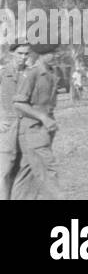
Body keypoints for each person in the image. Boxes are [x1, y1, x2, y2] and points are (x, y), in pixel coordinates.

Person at [12, 44, 64, 199]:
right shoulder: (33, 73)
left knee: (27, 174)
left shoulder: (51, 72)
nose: (56, 56)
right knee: (47, 170)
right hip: (33, 129)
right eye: (52, 54)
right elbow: (19, 103)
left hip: (44, 130)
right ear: (43, 55)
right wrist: (42, 118)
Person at [0, 43, 30, 200]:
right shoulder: (3, 72)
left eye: (26, 54)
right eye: (20, 53)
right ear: (12, 53)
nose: (23, 57)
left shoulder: (29, 73)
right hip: (7, 127)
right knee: (4, 171)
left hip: (25, 126)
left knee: (22, 169)